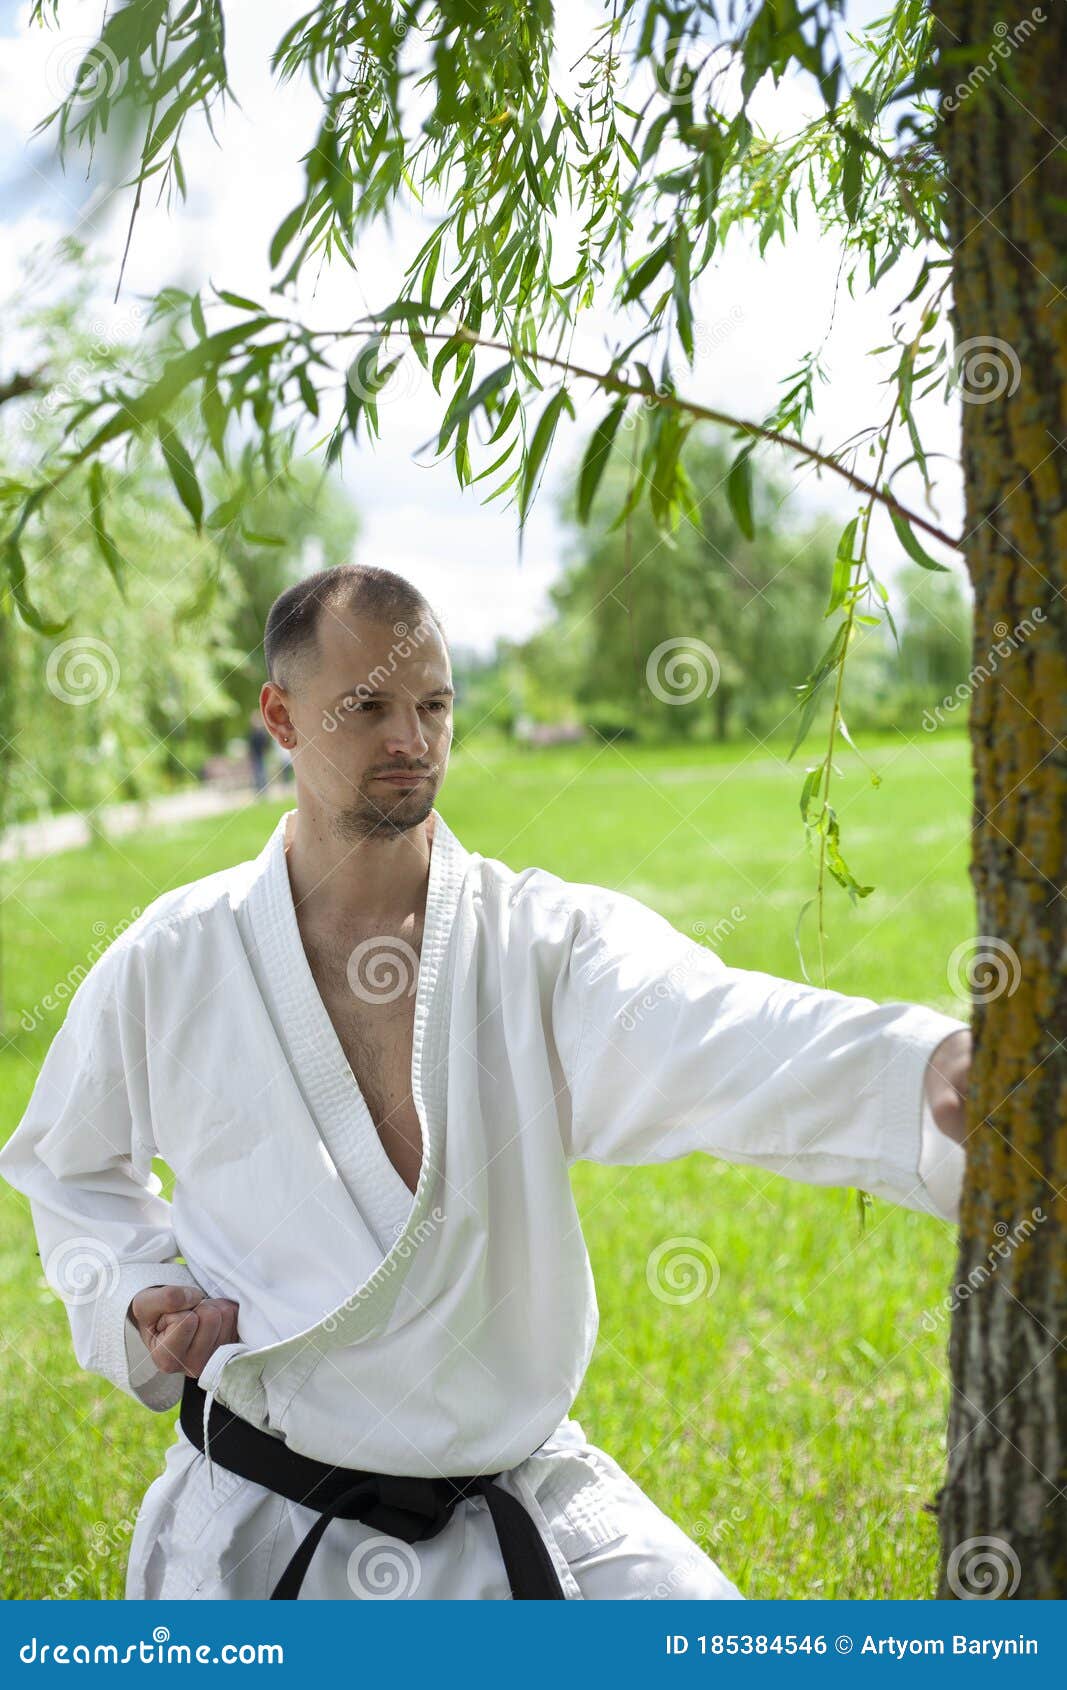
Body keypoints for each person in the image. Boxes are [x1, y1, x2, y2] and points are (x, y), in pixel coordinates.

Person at [0, 564, 972, 1602]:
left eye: (433, 705)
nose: (411, 741)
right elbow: (66, 1160)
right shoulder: (177, 955)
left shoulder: (536, 941)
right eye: (367, 707)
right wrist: (141, 1287)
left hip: (515, 1496)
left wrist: (926, 1066)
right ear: (280, 717)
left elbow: (717, 1028)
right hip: (262, 1520)